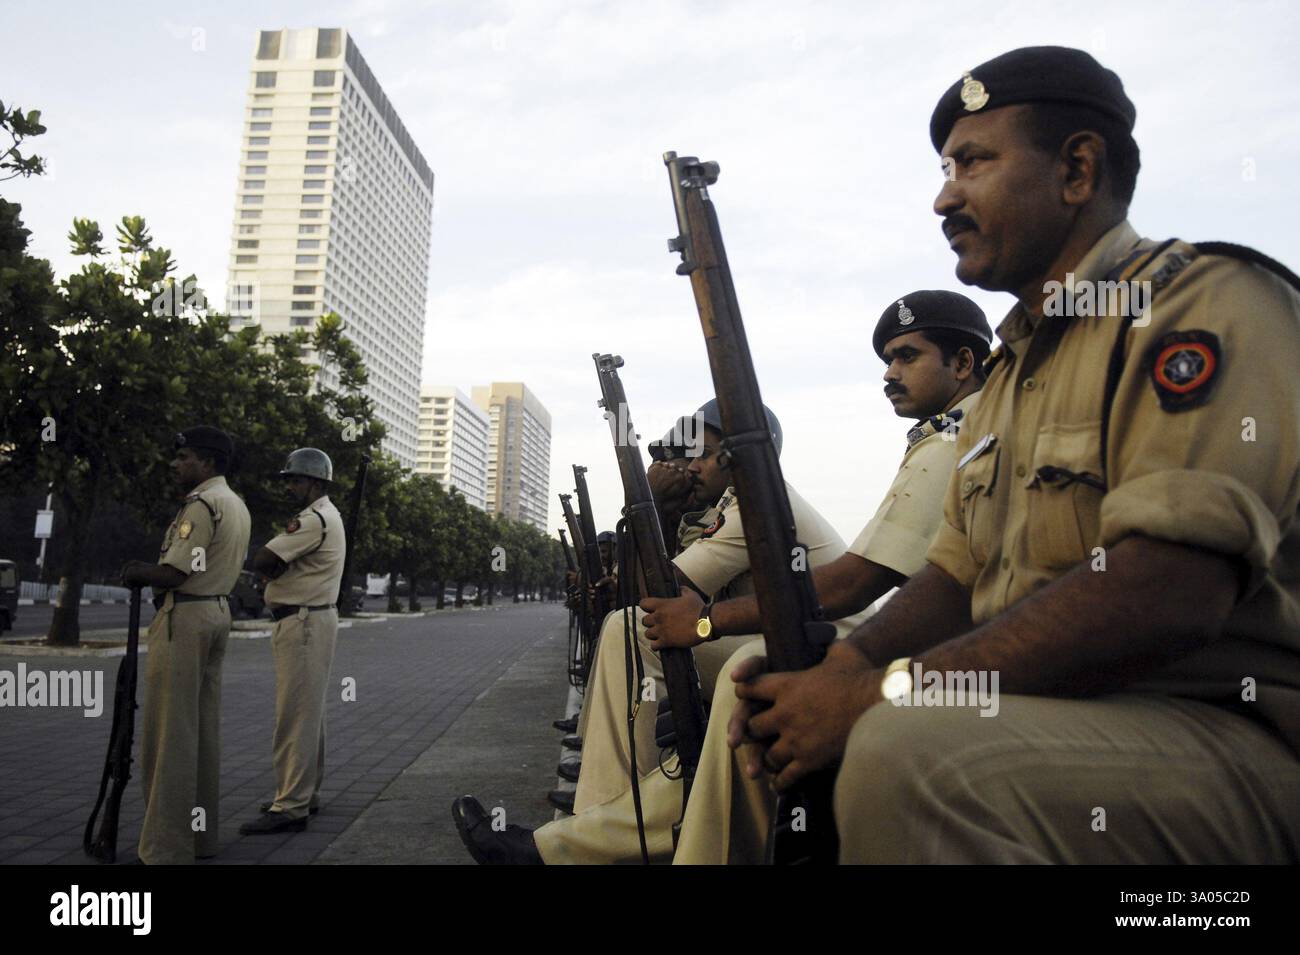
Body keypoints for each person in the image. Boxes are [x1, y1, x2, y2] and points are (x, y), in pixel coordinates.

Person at [735, 46, 1300, 863]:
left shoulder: (1197, 304)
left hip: (1224, 731)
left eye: (973, 163)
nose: (943, 195)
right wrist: (844, 668)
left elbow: (1171, 588)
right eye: (944, 166)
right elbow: (955, 578)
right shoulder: (1009, 376)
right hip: (1051, 714)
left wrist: (884, 689)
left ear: (1077, 169)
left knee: (910, 756)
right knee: (771, 696)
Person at [122, 426, 251, 864]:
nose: (176, 464)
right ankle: (199, 838)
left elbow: (176, 572)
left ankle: (165, 846)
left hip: (187, 615)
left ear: (208, 463)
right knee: (200, 734)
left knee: (170, 735)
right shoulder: (235, 503)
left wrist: (138, 570)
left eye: (185, 457)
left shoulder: (201, 505)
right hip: (216, 611)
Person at [240, 448, 346, 835]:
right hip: (311, 619)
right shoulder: (324, 516)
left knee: (295, 715)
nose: (289, 487)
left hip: (302, 621)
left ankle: (290, 805)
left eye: (295, 480)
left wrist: (274, 568)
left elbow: (263, 559)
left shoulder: (314, 519)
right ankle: (304, 793)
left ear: (315, 483)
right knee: (307, 712)